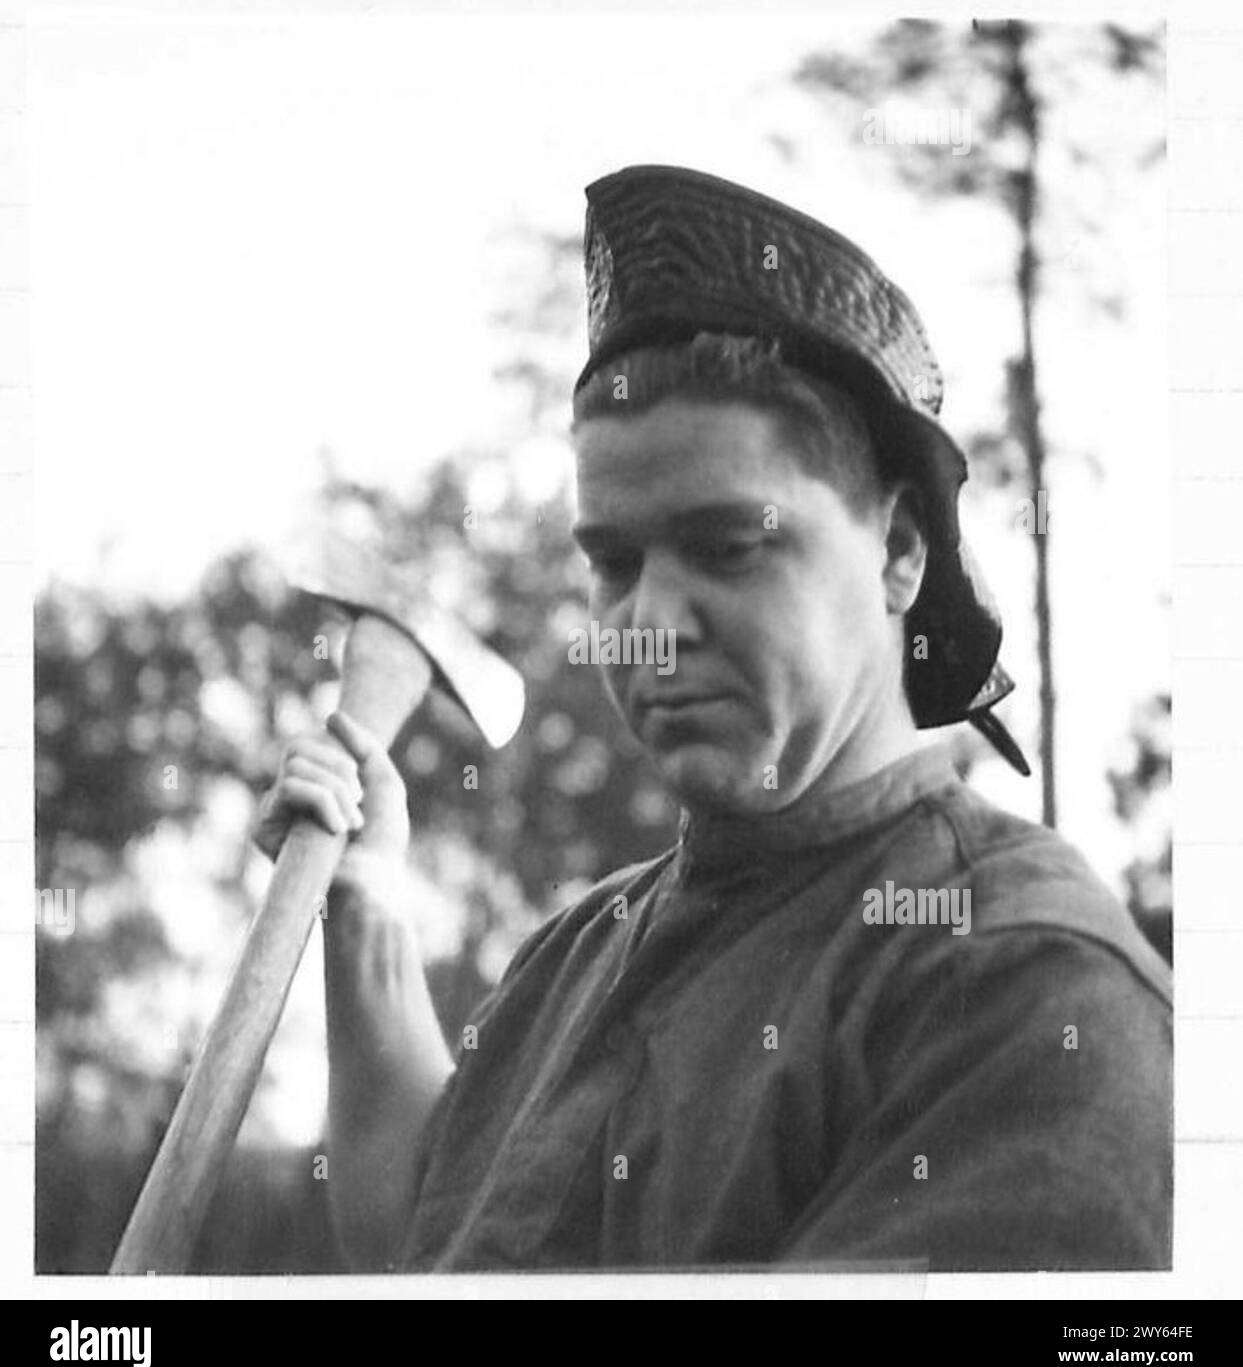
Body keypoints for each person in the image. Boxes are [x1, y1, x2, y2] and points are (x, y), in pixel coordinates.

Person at [255, 166, 1171, 1273]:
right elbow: (424, 1232)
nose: (647, 626)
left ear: (897, 550)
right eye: (613, 561)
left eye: (729, 546)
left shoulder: (1015, 981)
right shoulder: (574, 952)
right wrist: (364, 917)